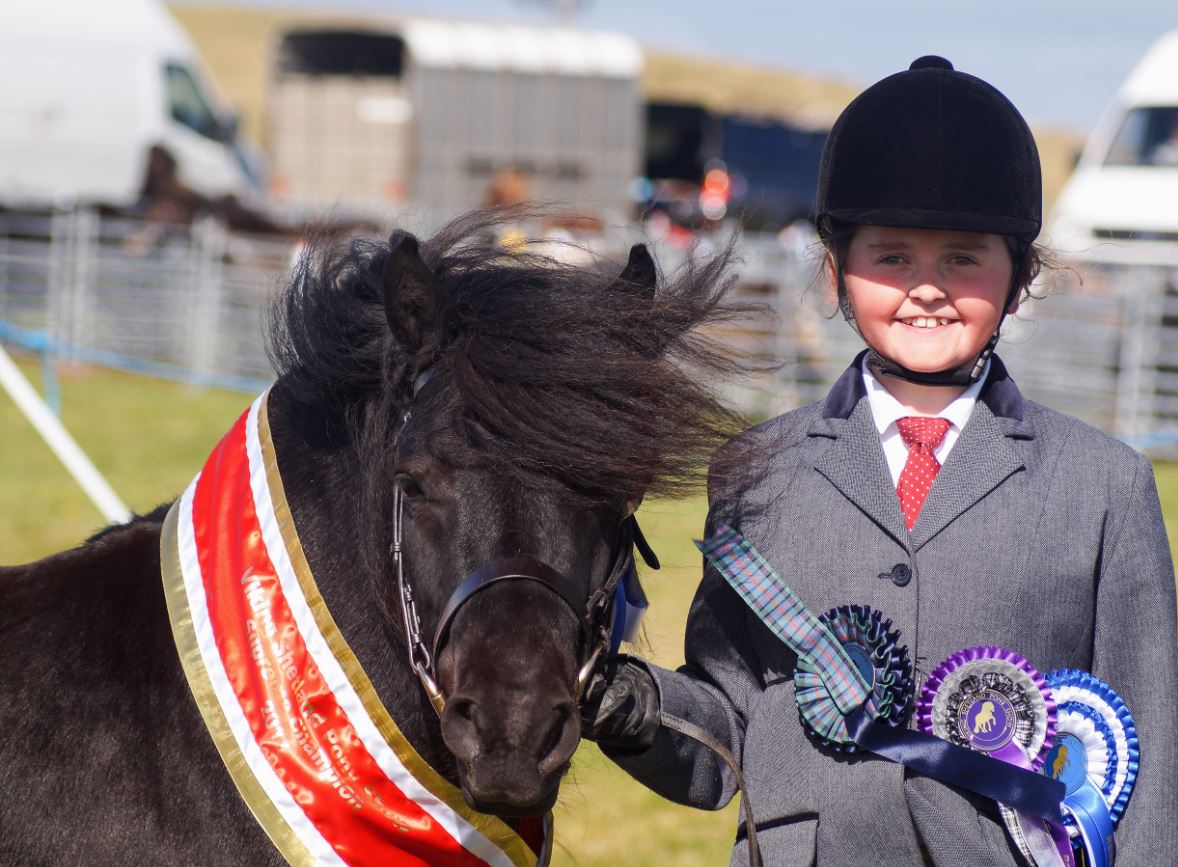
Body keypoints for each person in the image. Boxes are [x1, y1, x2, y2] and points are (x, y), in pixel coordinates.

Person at [582, 57, 1178, 866]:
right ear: (834, 268)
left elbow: (1152, 761)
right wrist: (639, 707)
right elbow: (730, 714)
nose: (926, 288)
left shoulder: (1104, 484)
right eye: (891, 256)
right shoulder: (755, 469)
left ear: (1021, 279)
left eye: (963, 258)